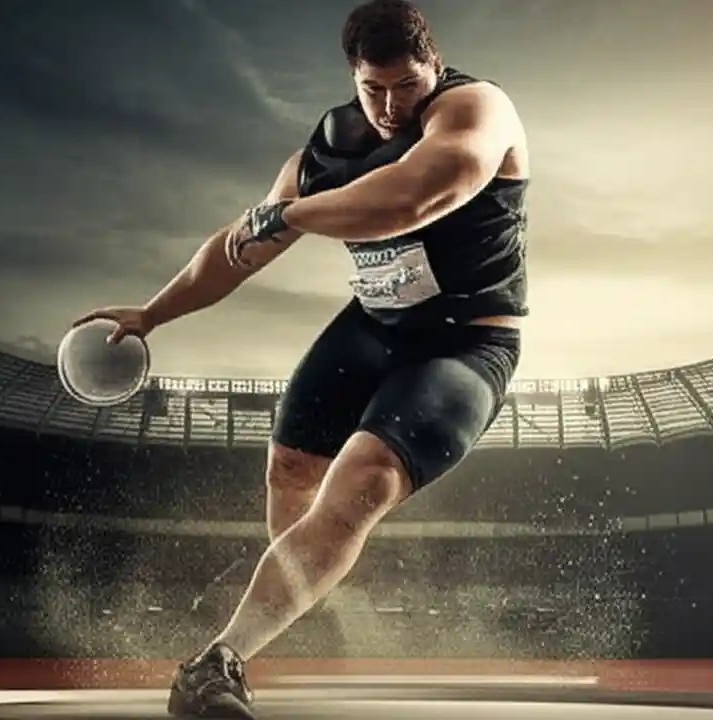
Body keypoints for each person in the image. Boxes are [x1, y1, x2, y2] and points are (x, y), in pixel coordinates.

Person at [75, 1, 530, 716]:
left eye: (405, 87)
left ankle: (217, 662)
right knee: (289, 468)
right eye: (371, 88)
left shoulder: (479, 109)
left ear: (433, 67)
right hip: (373, 325)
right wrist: (151, 313)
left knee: (364, 481)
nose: (387, 106)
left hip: (464, 339)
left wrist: (287, 214)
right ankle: (298, 585)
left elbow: (412, 199)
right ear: (352, 76)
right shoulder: (319, 155)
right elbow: (236, 250)